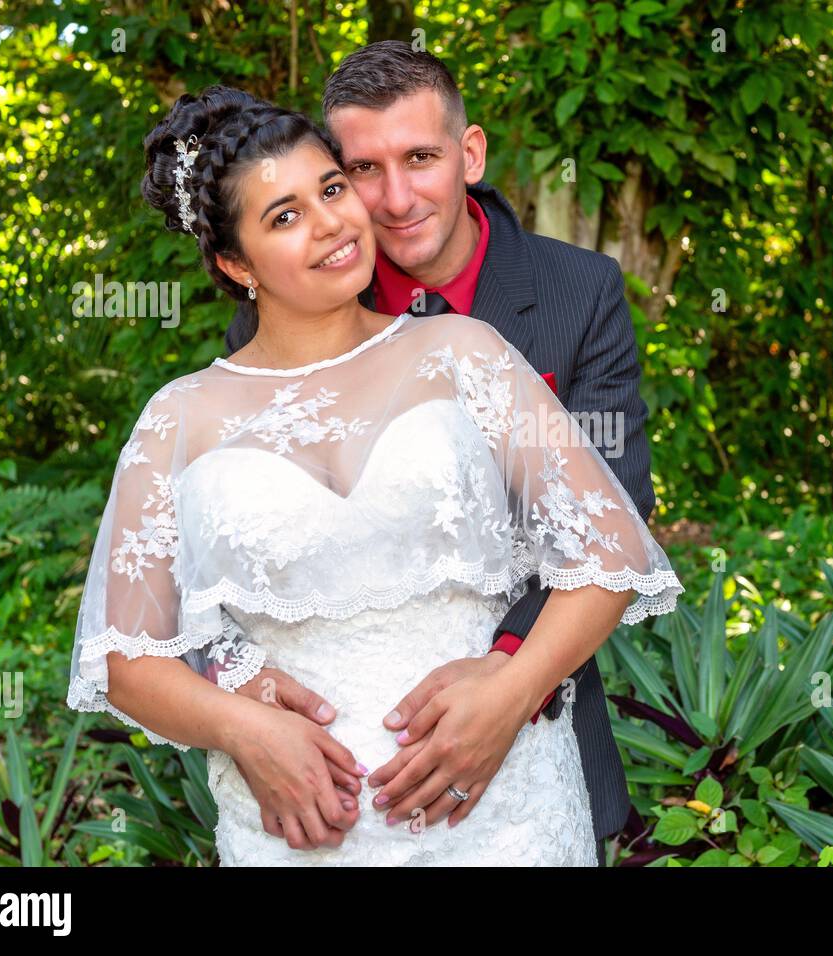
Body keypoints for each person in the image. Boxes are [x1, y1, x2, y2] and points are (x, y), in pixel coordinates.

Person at [65, 84, 683, 865]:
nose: (330, 223)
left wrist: (511, 689)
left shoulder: (464, 354)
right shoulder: (179, 418)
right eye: (283, 216)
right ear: (233, 263)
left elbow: (610, 551)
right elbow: (128, 659)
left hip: (502, 811)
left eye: (330, 189)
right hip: (295, 829)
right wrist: (242, 726)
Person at [220, 42, 658, 866]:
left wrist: (507, 681)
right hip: (331, 777)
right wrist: (243, 696)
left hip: (532, 724)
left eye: (420, 158)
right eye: (362, 171)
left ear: (471, 152)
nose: (395, 199)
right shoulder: (284, 306)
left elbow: (617, 513)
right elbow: (242, 528)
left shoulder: (577, 293)